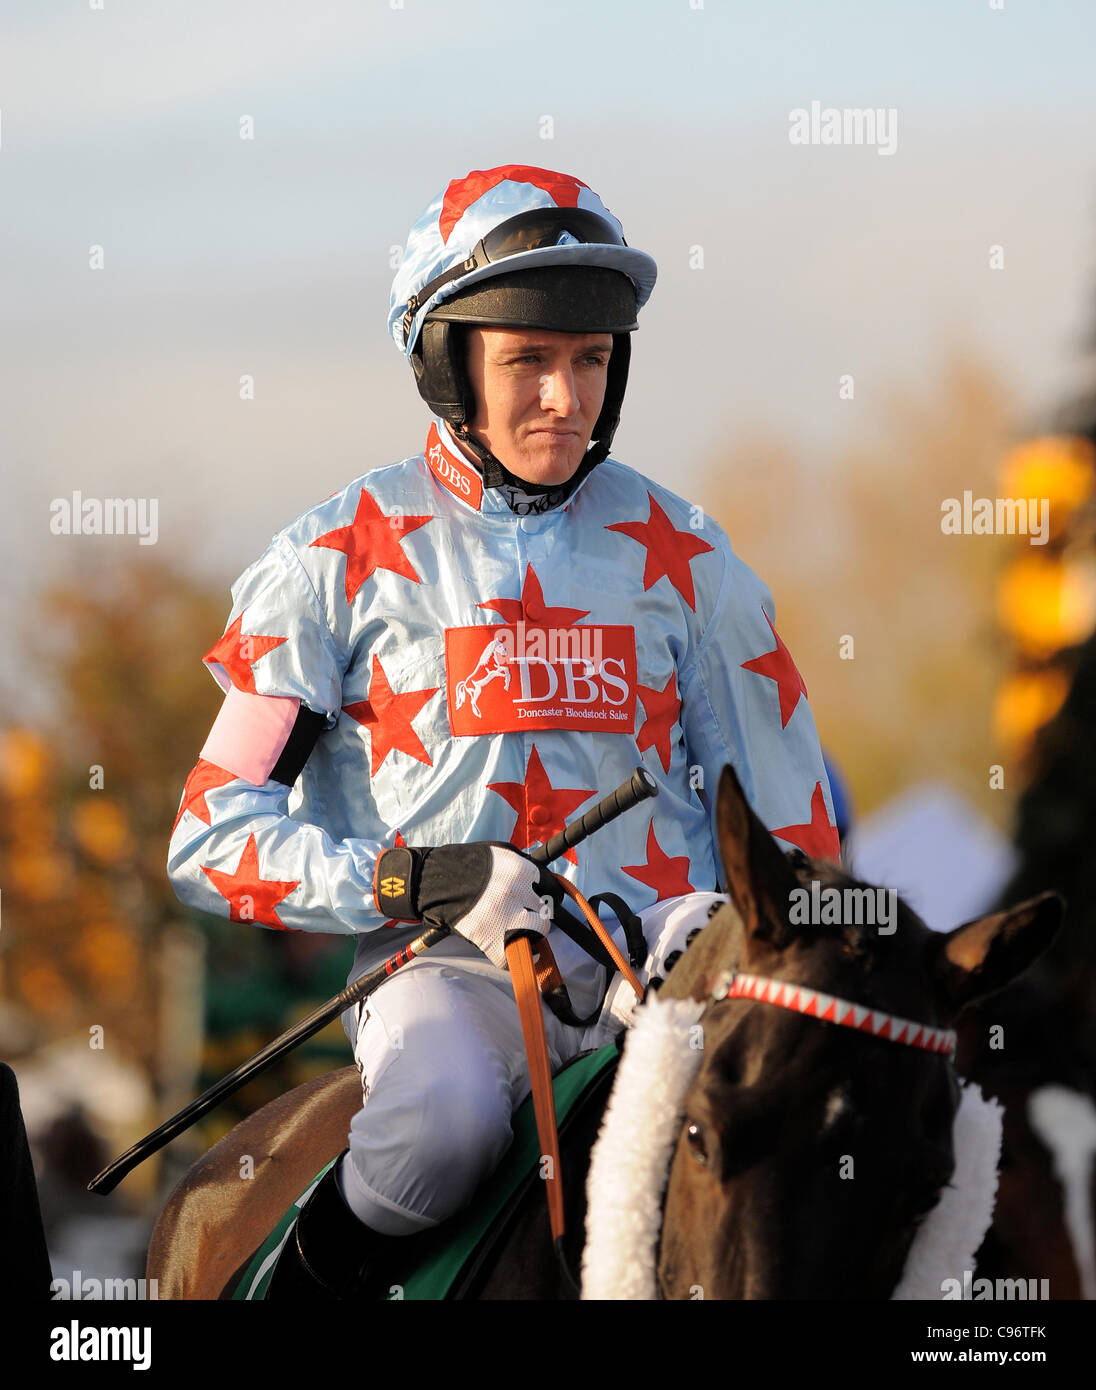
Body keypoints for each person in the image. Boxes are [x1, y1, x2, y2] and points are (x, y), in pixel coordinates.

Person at [167, 163, 840, 1298]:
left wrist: (767, 940)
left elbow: (795, 831)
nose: (564, 399)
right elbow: (206, 836)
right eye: (528, 361)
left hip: (666, 957)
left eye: (589, 360)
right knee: (438, 1122)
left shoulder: (698, 561)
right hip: (450, 971)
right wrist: (421, 877)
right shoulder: (329, 560)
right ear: (448, 368)